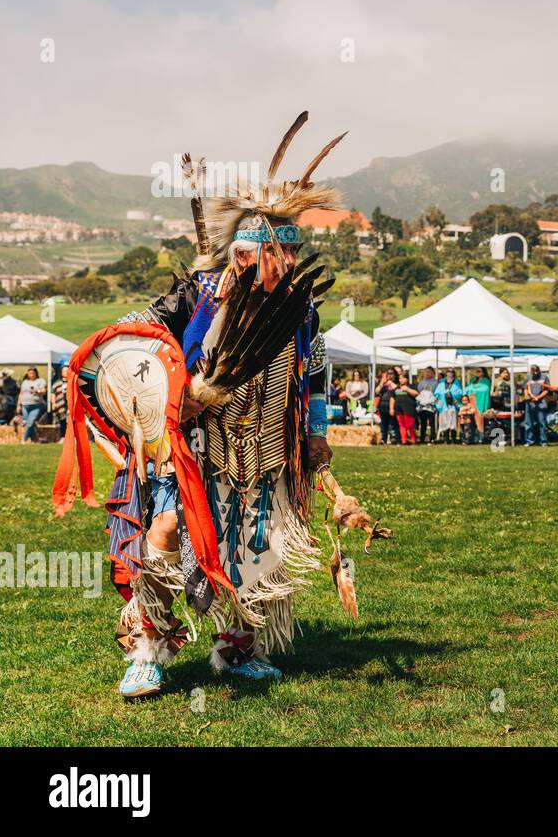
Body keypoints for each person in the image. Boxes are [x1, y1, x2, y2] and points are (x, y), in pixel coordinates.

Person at [52, 111, 349, 698]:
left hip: (264, 453)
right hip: (189, 448)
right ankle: (149, 648)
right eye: (270, 258)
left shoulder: (300, 308)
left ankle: (236, 649)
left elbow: (314, 371)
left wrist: (314, 430)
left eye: (288, 259)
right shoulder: (197, 296)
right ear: (243, 255)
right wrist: (158, 393)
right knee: (162, 537)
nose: (280, 268)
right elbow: (133, 335)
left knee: (256, 554)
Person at [521, 365, 557, 446]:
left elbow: (546, 390)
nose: (536, 373)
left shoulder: (544, 377)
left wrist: (538, 397)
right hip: (529, 403)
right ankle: (529, 441)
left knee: (542, 423)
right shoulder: (528, 377)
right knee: (528, 423)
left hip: (541, 403)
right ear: (531, 371)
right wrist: (527, 396)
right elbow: (525, 388)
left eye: (537, 371)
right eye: (534, 372)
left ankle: (543, 441)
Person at [18, 366, 47, 442]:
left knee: (30, 423)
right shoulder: (24, 382)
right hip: (25, 405)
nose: (31, 374)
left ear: (36, 373)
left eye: (33, 372)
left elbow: (44, 390)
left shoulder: (41, 381)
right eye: (30, 372)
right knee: (28, 423)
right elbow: (21, 393)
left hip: (36, 405)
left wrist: (38, 391)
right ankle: (34, 439)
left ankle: (24, 440)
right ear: (27, 373)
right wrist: (18, 405)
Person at [434, 369, 463, 442]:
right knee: (444, 422)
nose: (450, 373)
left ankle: (453, 439)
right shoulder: (441, 382)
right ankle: (446, 439)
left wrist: (451, 394)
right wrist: (443, 394)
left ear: (453, 373)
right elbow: (437, 393)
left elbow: (460, 392)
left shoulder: (456, 382)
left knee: (453, 422)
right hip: (443, 405)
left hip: (452, 405)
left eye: (451, 372)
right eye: (448, 372)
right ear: (446, 373)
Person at [391, 369, 419, 445]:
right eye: (400, 378)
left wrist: (408, 389)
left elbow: (416, 394)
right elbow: (392, 398)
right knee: (401, 425)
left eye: (403, 378)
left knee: (410, 425)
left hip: (409, 409)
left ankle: (413, 441)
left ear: (407, 378)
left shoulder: (411, 385)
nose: (401, 380)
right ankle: (404, 441)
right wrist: (391, 408)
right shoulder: (397, 387)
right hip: (398, 409)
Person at [464, 367, 491, 442]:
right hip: (471, 401)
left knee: (479, 418)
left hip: (479, 401)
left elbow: (485, 389)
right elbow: (467, 388)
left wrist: (473, 390)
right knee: (470, 420)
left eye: (479, 371)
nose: (477, 372)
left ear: (483, 372)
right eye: (476, 371)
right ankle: (471, 437)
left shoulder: (486, 380)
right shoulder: (473, 380)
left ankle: (480, 437)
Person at [415, 366, 438, 443]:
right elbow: (418, 392)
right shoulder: (421, 382)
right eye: (426, 372)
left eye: (429, 372)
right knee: (423, 423)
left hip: (431, 406)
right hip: (422, 406)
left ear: (433, 373)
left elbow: (436, 394)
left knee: (432, 423)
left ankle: (432, 438)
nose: (427, 373)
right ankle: (422, 439)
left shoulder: (435, 382)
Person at [375, 369, 397, 444]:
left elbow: (397, 389)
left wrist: (391, 383)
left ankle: (394, 438)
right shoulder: (384, 383)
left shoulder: (396, 383)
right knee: (383, 424)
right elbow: (377, 391)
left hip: (392, 406)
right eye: (388, 373)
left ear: (395, 375)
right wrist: (382, 383)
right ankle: (383, 439)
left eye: (391, 373)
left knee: (394, 423)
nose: (390, 375)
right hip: (383, 406)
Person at [50, 365, 70, 439]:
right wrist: (54, 403)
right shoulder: (57, 383)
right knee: (62, 420)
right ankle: (62, 437)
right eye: (64, 371)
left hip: (70, 404)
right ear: (61, 372)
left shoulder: (72, 381)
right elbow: (53, 393)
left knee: (71, 421)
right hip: (60, 404)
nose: (66, 372)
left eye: (67, 370)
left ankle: (72, 437)